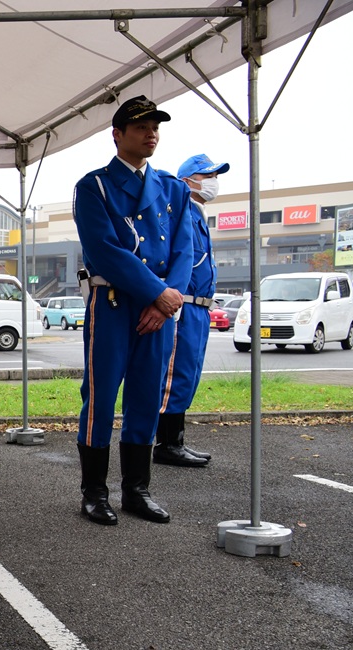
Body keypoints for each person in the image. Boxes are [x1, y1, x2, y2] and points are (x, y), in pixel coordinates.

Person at [73, 96, 193, 526]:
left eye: (155, 125)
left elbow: (184, 249)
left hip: (156, 311)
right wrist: (157, 294)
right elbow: (105, 252)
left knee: (145, 397)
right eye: (140, 126)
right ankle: (94, 492)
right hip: (113, 305)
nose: (151, 132)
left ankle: (137, 490)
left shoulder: (174, 188)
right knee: (101, 398)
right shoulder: (95, 187)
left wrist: (166, 302)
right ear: (117, 134)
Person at [156, 154, 230, 468]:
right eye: (206, 175)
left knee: (189, 373)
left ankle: (177, 440)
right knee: (175, 375)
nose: (212, 180)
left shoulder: (198, 213)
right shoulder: (183, 211)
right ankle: (166, 443)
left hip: (199, 308)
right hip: (183, 306)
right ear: (187, 180)